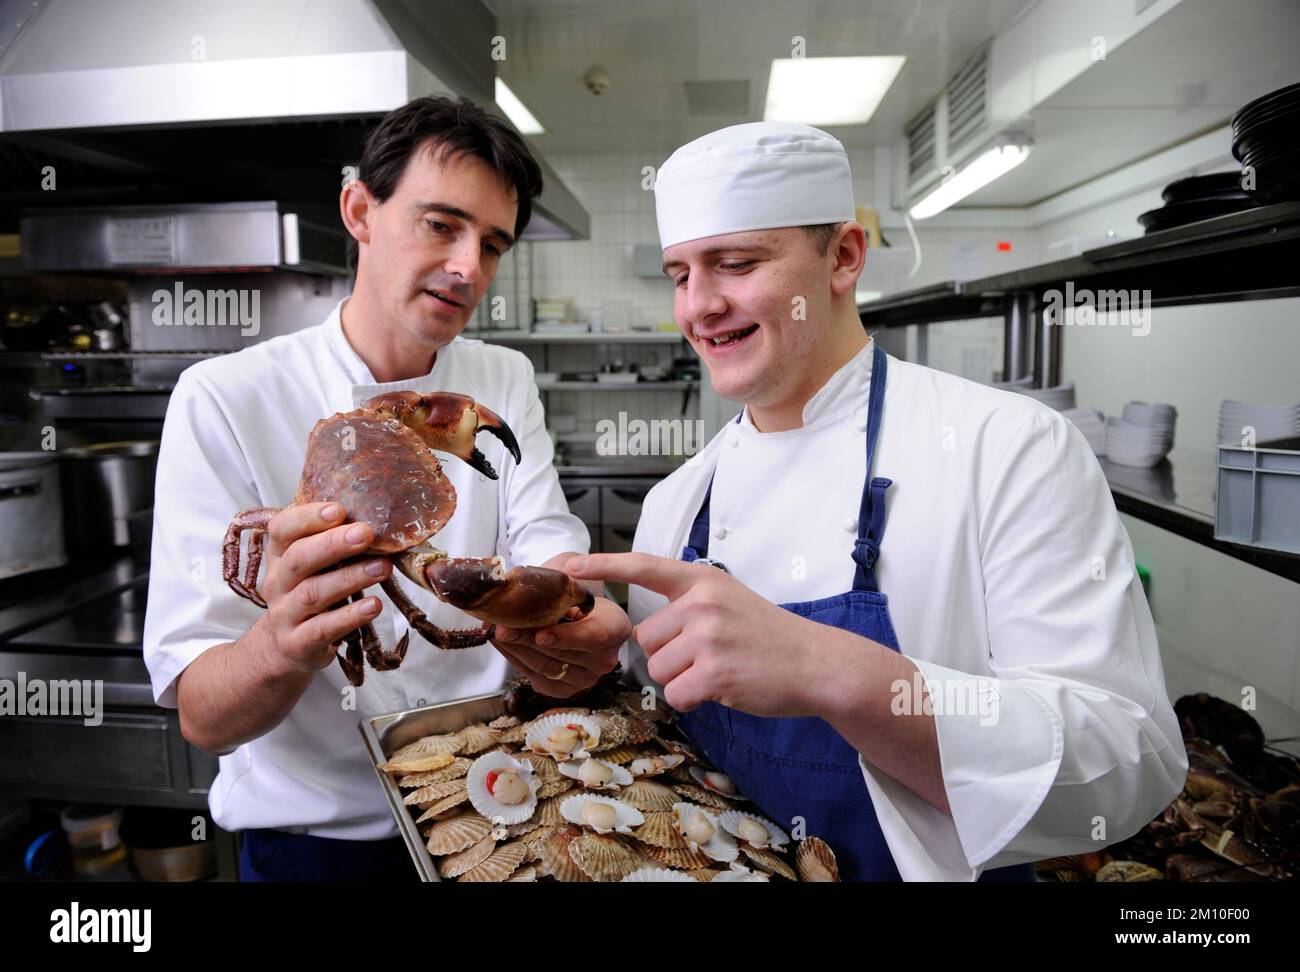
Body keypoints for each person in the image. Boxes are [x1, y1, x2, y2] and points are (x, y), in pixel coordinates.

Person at [565, 122, 1188, 881]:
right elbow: (658, 732)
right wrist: (586, 672)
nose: (699, 306)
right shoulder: (677, 500)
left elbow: (1127, 763)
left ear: (845, 257)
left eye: (735, 264)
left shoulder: (1009, 448)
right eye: (680, 274)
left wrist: (836, 673)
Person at [142, 96, 630, 881]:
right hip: (317, 846)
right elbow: (202, 713)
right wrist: (282, 638)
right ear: (359, 210)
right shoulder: (225, 397)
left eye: (494, 244)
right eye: (442, 225)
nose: (471, 267)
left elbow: (549, 545)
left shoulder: (502, 379)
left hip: (495, 802)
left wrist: (577, 626)